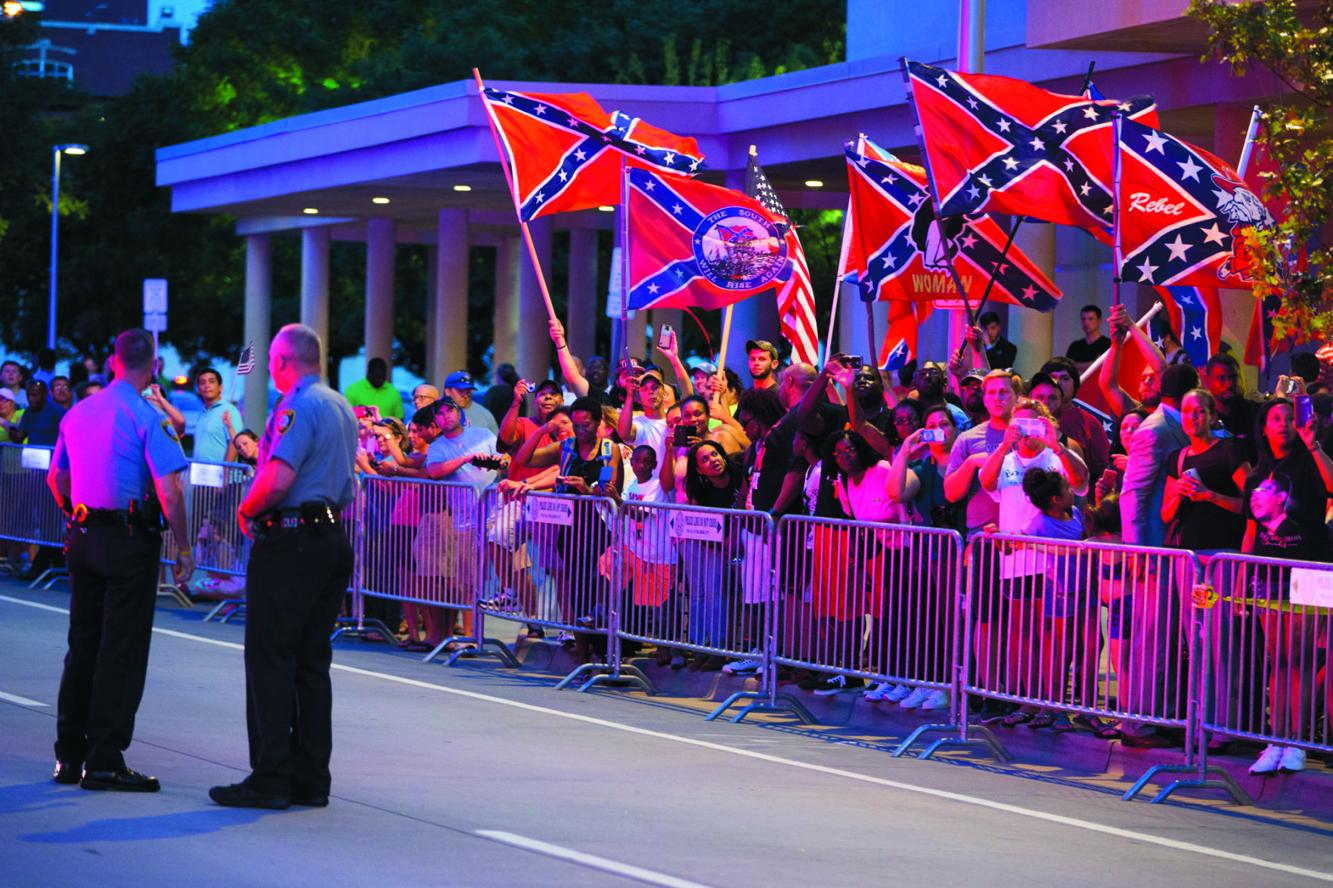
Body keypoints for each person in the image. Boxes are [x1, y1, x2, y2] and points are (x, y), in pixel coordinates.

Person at [209, 323, 357, 809]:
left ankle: (270, 774)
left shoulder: (296, 405)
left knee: (271, 658)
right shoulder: (339, 406)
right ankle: (311, 776)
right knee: (312, 663)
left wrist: (246, 509)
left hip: (291, 537)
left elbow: (277, 476)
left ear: (282, 361)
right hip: (331, 537)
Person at [47, 328, 193, 792]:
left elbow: (57, 478)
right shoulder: (146, 415)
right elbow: (169, 488)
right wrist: (184, 547)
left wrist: (76, 516)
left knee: (82, 645)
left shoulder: (78, 412)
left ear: (112, 362)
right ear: (152, 366)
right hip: (129, 541)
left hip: (84, 536)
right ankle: (105, 758)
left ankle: (69, 756)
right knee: (121, 649)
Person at [1242, 397, 1333, 775]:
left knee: (1302, 659)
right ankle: (1276, 741)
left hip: (1308, 571)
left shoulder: (1310, 462)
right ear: (1265, 426)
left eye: (1289, 418)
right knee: (1278, 659)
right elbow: (1251, 530)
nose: (1283, 424)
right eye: (1275, 418)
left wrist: (1313, 443)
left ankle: (1297, 741)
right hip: (1269, 574)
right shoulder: (1257, 472)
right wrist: (1243, 576)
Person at [1161, 389, 1250, 552]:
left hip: (1225, 551)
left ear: (1213, 417)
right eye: (1186, 411)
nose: (1192, 417)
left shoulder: (1229, 451)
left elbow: (1253, 504)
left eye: (1200, 411)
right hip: (1187, 553)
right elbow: (1166, 515)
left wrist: (1211, 496)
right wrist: (1178, 497)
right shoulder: (1178, 458)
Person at [1120, 363, 1198, 546]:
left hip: (1177, 540)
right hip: (1154, 544)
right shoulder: (1154, 430)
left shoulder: (1179, 424)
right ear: (1189, 393)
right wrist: (1135, 550)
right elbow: (1133, 493)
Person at [1038, 357, 1110, 482]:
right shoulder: (1028, 418)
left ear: (1075, 385)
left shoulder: (1088, 422)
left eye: (1064, 378)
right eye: (1052, 377)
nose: (1058, 382)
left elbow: (1101, 469)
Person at [1204, 353, 1260, 463]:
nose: (1229, 384)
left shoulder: (1254, 411)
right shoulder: (1203, 418)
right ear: (1208, 381)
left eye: (1233, 377)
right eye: (1222, 378)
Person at [192, 367, 244, 463]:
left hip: (219, 473)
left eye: (211, 382)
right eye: (202, 383)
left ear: (220, 388)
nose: (207, 385)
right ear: (199, 389)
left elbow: (234, 443)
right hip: (198, 471)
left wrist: (226, 471)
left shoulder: (230, 410)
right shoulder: (202, 413)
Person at [15, 379, 67, 446]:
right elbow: (20, 437)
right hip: (32, 453)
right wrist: (13, 433)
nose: (30, 398)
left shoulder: (58, 412)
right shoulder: (28, 411)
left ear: (45, 395)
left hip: (53, 454)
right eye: (28, 395)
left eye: (34, 395)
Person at [1066, 304, 1112, 374]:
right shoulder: (1075, 346)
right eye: (1083, 319)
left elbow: (1107, 367)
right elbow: (1067, 367)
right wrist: (1092, 364)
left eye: (1090, 319)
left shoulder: (1107, 344)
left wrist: (1077, 365)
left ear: (1099, 321)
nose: (1086, 322)